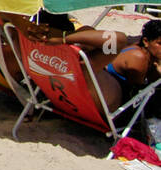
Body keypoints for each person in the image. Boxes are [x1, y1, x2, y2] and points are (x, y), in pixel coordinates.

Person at [25, 20, 161, 114]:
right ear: (146, 41)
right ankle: (63, 39)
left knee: (92, 33)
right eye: (160, 43)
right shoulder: (140, 57)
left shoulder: (136, 46)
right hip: (109, 97)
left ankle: (65, 39)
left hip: (91, 84)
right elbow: (136, 95)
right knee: (116, 39)